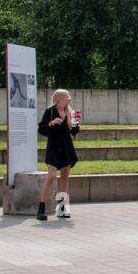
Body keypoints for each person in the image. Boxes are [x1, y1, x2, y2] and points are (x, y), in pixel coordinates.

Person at [37, 88, 80, 221]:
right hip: (54, 146)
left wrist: (76, 123)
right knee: (51, 176)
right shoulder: (50, 111)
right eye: (67, 97)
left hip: (66, 145)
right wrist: (51, 123)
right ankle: (41, 209)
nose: (69, 99)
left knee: (65, 177)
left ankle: (61, 209)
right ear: (60, 98)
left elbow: (73, 132)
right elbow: (42, 129)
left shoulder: (69, 111)